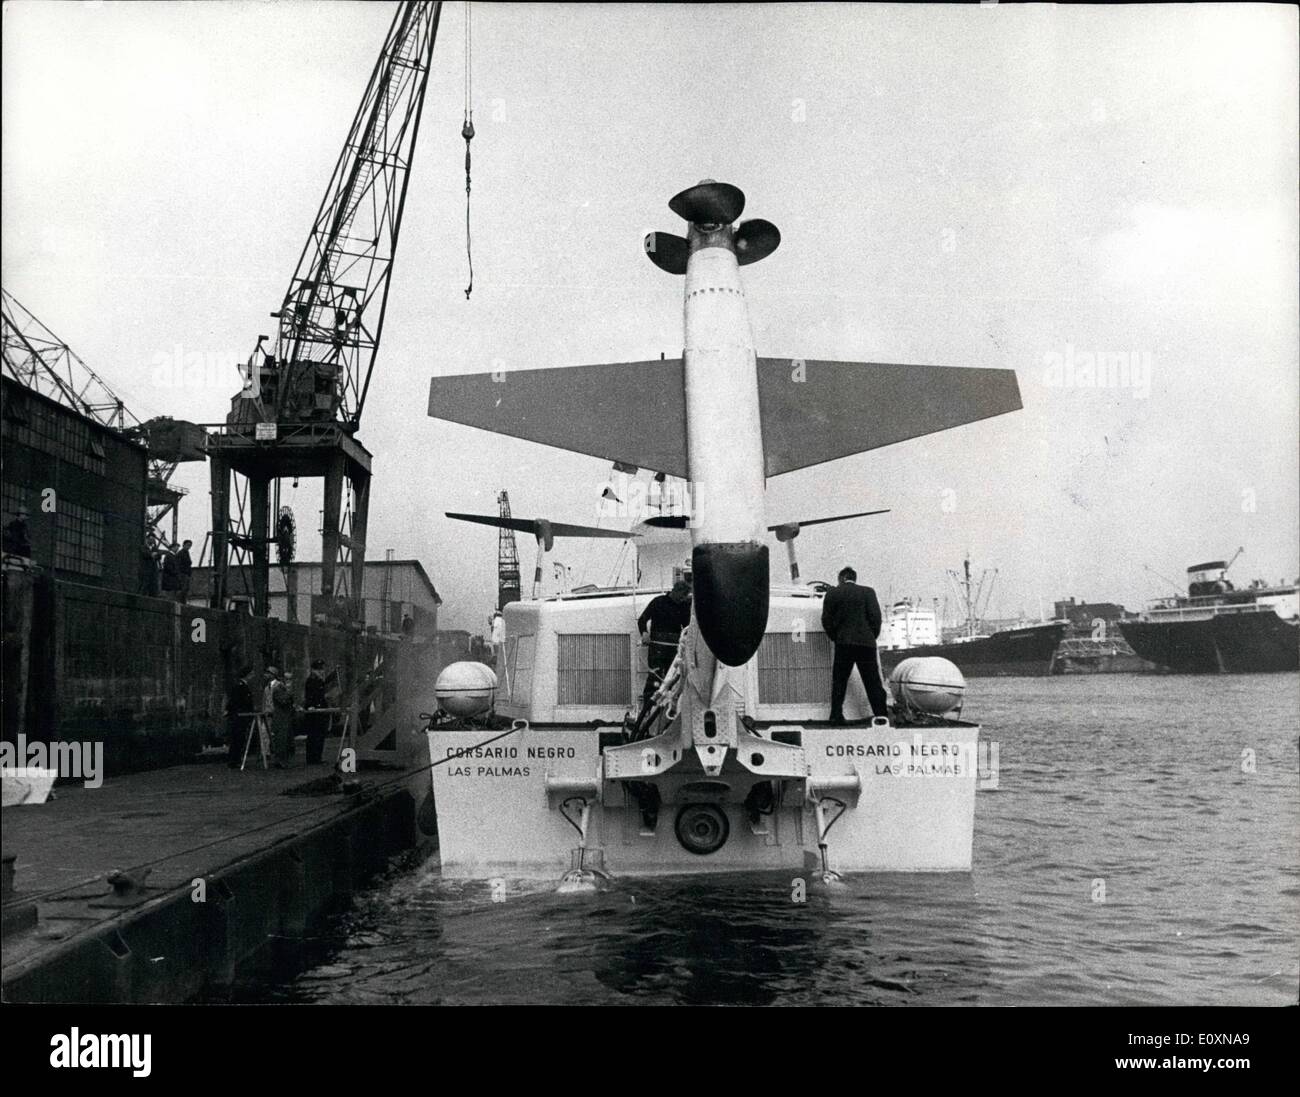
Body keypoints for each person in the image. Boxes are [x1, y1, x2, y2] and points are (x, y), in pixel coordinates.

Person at [821, 566, 889, 722]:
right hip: (866, 644)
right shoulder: (868, 592)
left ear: (842, 578)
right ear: (854, 578)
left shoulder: (833, 593)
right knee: (872, 682)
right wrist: (871, 636)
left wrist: (836, 637)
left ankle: (836, 715)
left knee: (839, 681)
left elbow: (826, 620)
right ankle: (881, 716)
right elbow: (876, 618)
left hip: (844, 643)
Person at [637, 579, 692, 702]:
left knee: (672, 678)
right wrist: (644, 633)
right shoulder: (658, 602)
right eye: (682, 596)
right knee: (654, 677)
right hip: (657, 649)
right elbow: (642, 619)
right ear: (676, 592)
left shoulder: (684, 606)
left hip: (674, 649)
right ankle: (648, 708)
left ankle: (668, 706)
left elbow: (687, 627)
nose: (683, 599)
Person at [264, 666, 295, 767]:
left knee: (283, 739)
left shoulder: (279, 687)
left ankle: (282, 760)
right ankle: (279, 760)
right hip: (278, 716)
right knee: (279, 738)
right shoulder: (275, 688)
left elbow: (285, 701)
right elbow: (283, 700)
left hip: (282, 716)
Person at [226, 665, 256, 768]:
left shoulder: (243, 686)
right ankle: (234, 760)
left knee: (239, 738)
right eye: (251, 674)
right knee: (237, 738)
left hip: (241, 716)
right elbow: (237, 702)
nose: (252, 676)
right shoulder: (240, 686)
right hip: (239, 716)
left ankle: (235, 759)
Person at [303, 659, 331, 765]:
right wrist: (311, 705)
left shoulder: (317, 680)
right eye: (319, 669)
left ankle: (315, 758)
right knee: (315, 735)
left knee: (318, 735)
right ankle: (314, 758)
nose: (321, 671)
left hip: (318, 710)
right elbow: (311, 695)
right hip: (315, 711)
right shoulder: (313, 680)